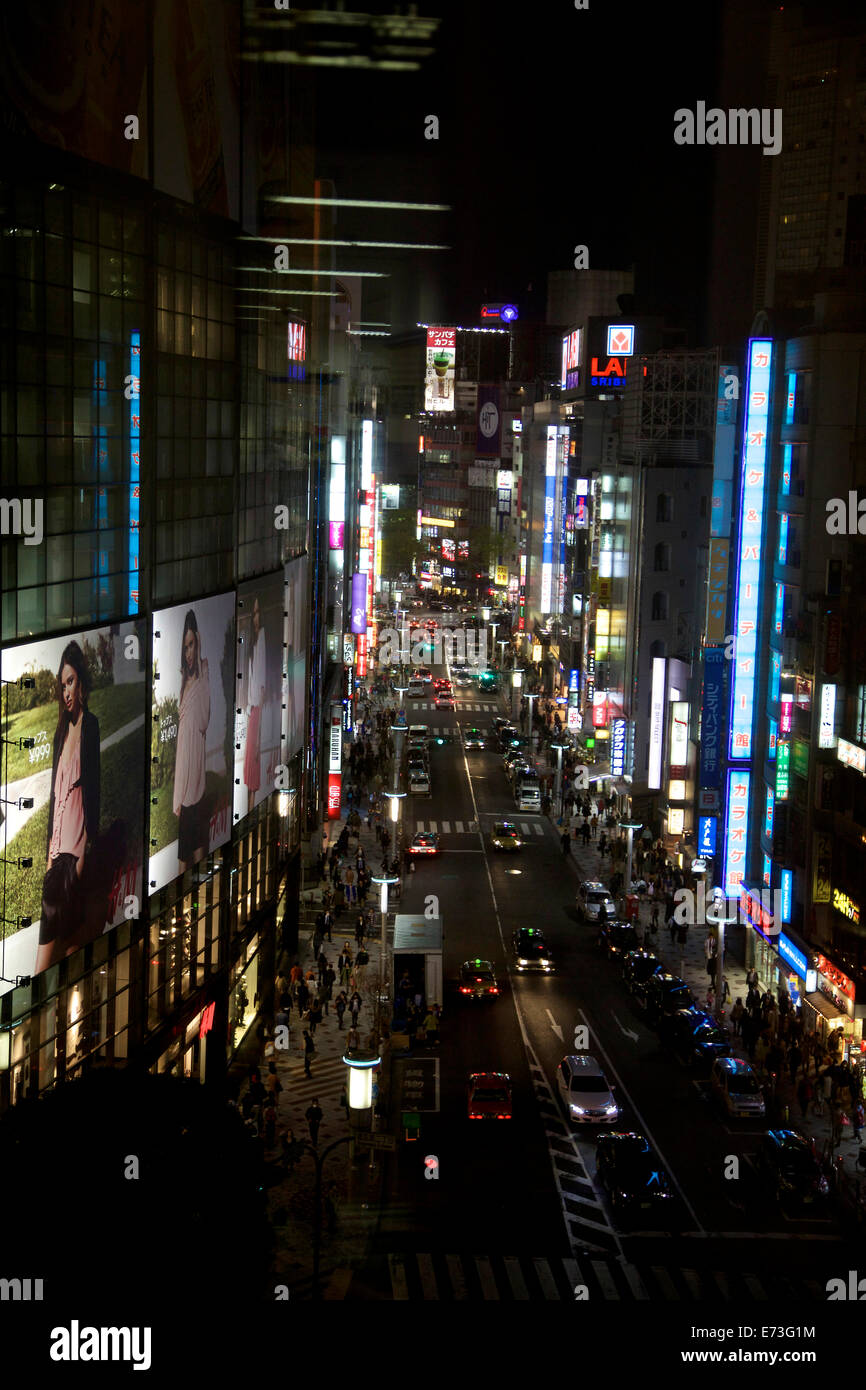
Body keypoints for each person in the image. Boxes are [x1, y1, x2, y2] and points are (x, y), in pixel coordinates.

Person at [36, 641, 102, 972]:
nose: (66, 691)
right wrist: (50, 857)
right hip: (57, 860)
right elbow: (55, 796)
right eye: (62, 684)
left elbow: (94, 792)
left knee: (69, 953)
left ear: (82, 683)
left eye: (71, 681)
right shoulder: (60, 734)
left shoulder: (90, 727)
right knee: (44, 966)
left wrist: (83, 858)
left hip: (76, 859)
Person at [174, 610, 211, 874]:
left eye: (191, 644)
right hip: (184, 773)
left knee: (195, 848)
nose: (188, 652)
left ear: (197, 642)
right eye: (185, 646)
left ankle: (197, 897)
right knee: (186, 853)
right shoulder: (183, 680)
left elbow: (203, 721)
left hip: (195, 778)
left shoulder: (202, 674)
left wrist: (199, 664)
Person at [242, 594, 268, 818]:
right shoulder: (252, 641)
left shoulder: (262, 639)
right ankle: (249, 808)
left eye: (259, 614)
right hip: (252, 708)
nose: (256, 618)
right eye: (254, 614)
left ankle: (250, 808)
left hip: (256, 707)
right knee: (251, 754)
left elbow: (261, 680)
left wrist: (257, 700)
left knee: (255, 752)